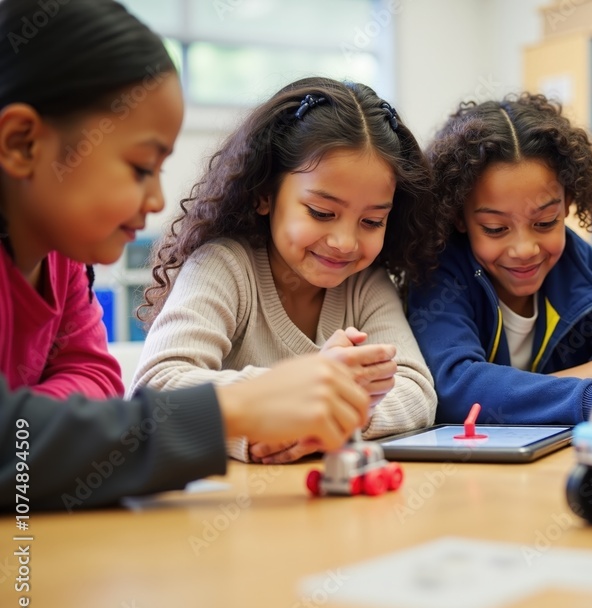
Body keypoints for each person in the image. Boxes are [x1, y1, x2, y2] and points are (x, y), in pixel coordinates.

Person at [0, 0, 370, 511]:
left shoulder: (62, 262)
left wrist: (43, 428)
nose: (155, 200)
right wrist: (233, 407)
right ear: (22, 143)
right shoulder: (224, 263)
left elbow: (100, 386)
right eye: (139, 168)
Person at [131, 77, 440, 464]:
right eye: (321, 213)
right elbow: (156, 390)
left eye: (372, 221)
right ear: (265, 193)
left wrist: (334, 420)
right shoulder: (225, 266)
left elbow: (415, 390)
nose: (345, 242)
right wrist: (277, 412)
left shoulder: (365, 284)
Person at [407, 93, 592, 425]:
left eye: (545, 223)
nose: (525, 249)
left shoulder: (574, 260)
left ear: (568, 202)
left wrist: (528, 394)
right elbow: (455, 389)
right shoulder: (439, 270)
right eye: (496, 228)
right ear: (459, 217)